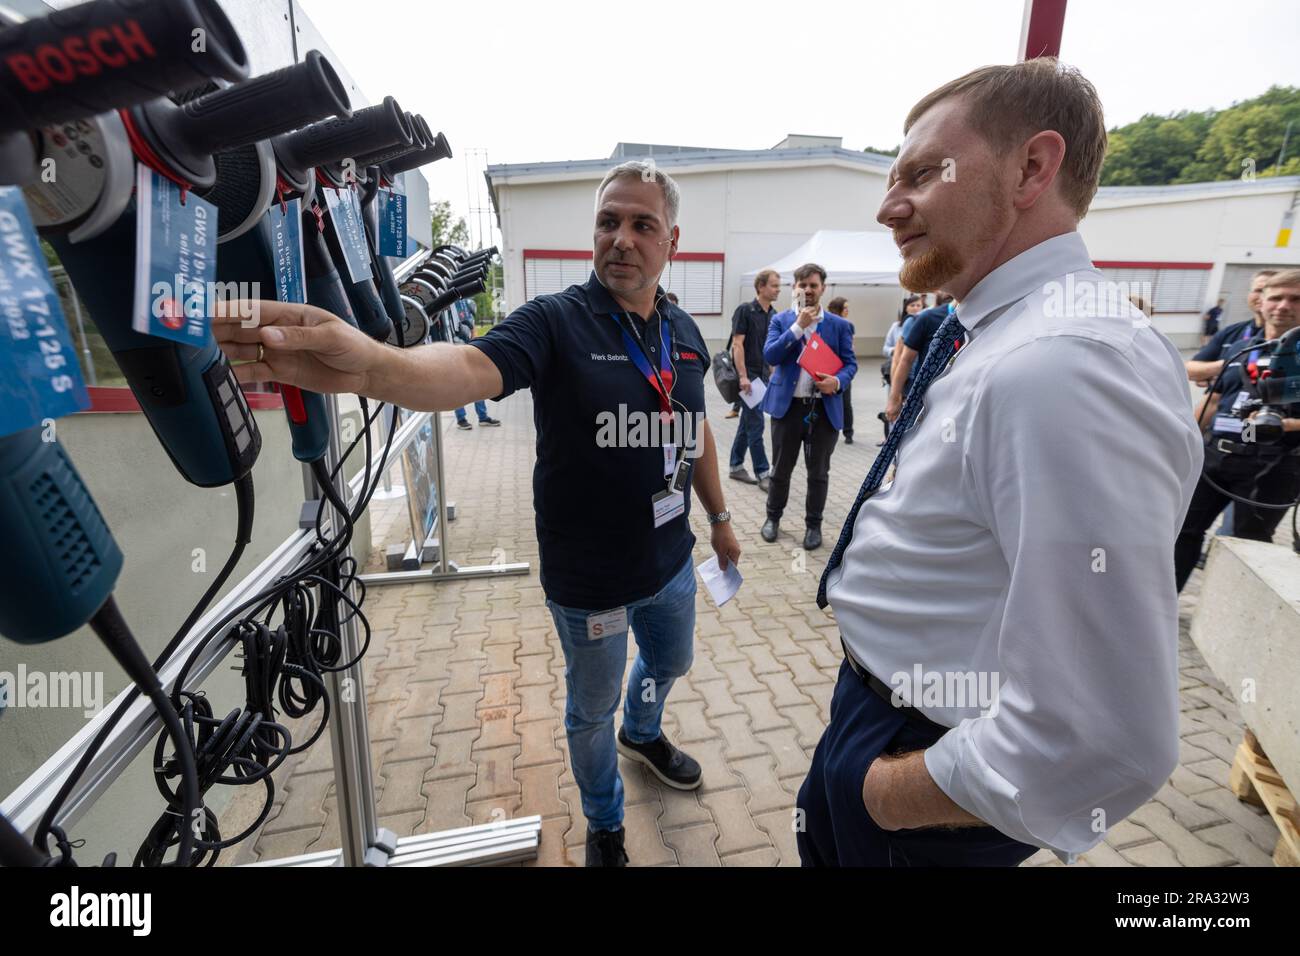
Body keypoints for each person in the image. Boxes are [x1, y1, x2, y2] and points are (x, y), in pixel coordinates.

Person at [214, 160, 741, 868]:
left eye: (642, 225)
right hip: (591, 582)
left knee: (671, 659)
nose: (621, 238)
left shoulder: (681, 330)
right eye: (608, 221)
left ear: (670, 241)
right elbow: (464, 368)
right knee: (591, 709)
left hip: (673, 561)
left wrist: (720, 517)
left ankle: (643, 732)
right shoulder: (556, 321)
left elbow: (696, 430)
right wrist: (372, 365)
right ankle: (605, 822)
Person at [798, 58, 1202, 867]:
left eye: (920, 173)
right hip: (884, 716)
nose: (887, 207)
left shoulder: (1063, 365)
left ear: (1032, 167)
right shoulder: (996, 332)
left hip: (920, 763)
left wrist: (885, 792)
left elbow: (1108, 736)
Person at [1174, 270, 1300, 591]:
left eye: (1295, 299)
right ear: (1262, 301)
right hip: (1216, 458)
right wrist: (1183, 443)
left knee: (1246, 548)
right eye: (1276, 297)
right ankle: (1163, 609)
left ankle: (1226, 623)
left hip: (1271, 468)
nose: (1283, 306)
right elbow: (1213, 400)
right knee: (1182, 533)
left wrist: (1284, 425)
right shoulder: (1242, 347)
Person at [760, 262, 857, 551]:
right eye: (802, 285)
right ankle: (772, 518)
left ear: (823, 289)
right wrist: (797, 327)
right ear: (795, 288)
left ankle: (813, 526)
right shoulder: (781, 320)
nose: (808, 290)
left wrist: (837, 382)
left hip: (823, 411)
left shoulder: (838, 326)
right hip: (788, 409)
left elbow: (851, 363)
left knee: (818, 473)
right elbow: (771, 355)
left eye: (813, 285)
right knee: (780, 470)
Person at [1184, 270, 1276, 539]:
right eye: (1259, 290)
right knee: (1185, 531)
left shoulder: (1289, 346)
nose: (1266, 300)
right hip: (1218, 449)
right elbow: (1198, 377)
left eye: (1291, 299)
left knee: (1239, 538)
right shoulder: (1239, 339)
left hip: (1267, 460)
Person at [728, 269, 780, 488]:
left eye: (779, 286)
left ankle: (735, 466)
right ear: (760, 287)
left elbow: (769, 348)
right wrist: (743, 377)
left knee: (747, 423)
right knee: (756, 424)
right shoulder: (745, 311)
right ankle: (763, 473)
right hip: (749, 378)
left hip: (764, 377)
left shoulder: (773, 314)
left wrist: (774, 372)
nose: (778, 289)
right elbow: (737, 344)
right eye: (774, 285)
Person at [886, 292, 953, 423]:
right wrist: (894, 398)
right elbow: (902, 359)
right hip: (922, 393)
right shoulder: (925, 318)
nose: (916, 307)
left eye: (918, 305)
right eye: (913, 305)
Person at [450, 302, 502, 429]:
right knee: (458, 385)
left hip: (468, 347)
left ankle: (483, 417)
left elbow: (472, 326)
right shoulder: (452, 302)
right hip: (455, 348)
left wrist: (475, 342)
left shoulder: (466, 303)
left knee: (477, 381)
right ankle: (461, 419)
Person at [826, 297, 855, 443]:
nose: (848, 311)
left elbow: (850, 348)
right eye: (845, 308)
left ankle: (848, 432)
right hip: (827, 367)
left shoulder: (848, 325)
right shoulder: (827, 323)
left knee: (846, 402)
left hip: (842, 370)